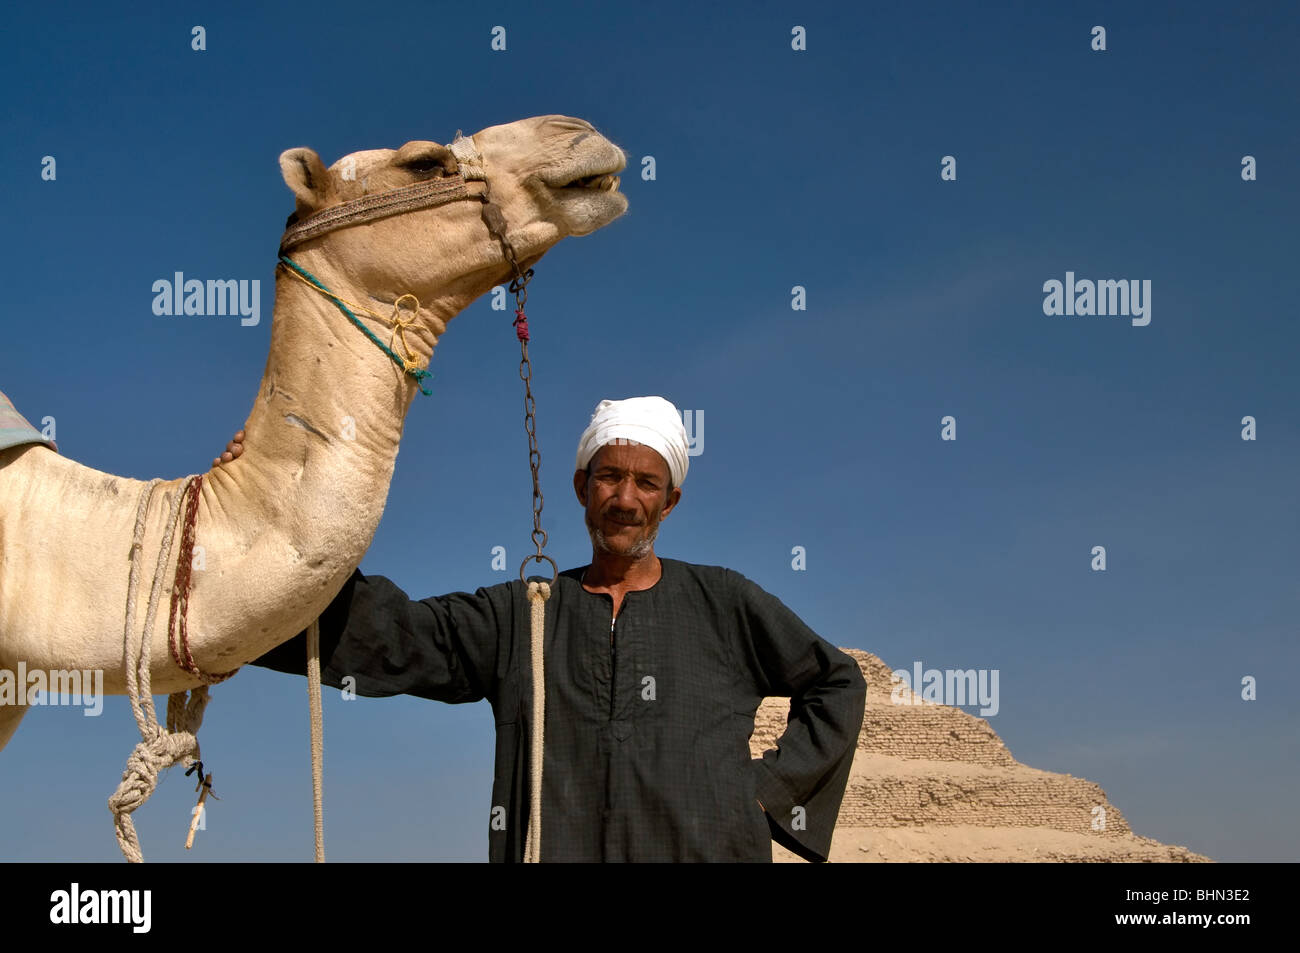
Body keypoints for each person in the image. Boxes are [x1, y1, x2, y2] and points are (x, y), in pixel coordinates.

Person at [229, 396, 866, 862]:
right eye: (610, 477)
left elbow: (836, 681)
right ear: (581, 488)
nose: (626, 498)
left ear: (669, 502)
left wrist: (760, 790)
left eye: (647, 483)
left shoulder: (724, 601)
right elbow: (395, 636)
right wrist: (266, 521)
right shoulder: (522, 614)